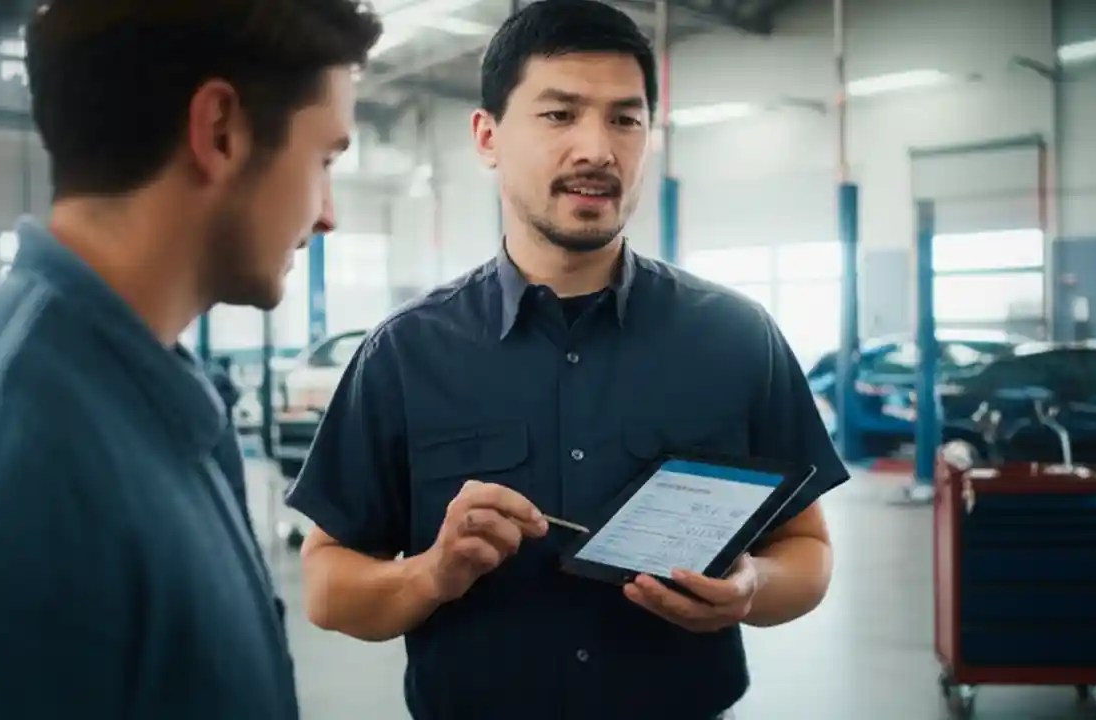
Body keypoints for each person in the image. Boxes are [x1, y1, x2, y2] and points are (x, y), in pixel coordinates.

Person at [286, 1, 848, 718]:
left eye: (625, 118)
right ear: (487, 135)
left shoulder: (737, 338)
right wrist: (432, 574)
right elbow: (329, 587)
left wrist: (750, 589)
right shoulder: (405, 353)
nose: (598, 149)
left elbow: (808, 552)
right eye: (559, 115)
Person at [0, 1, 380, 717]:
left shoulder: (165, 402)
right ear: (220, 130)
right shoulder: (8, 449)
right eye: (325, 159)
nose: (328, 213)